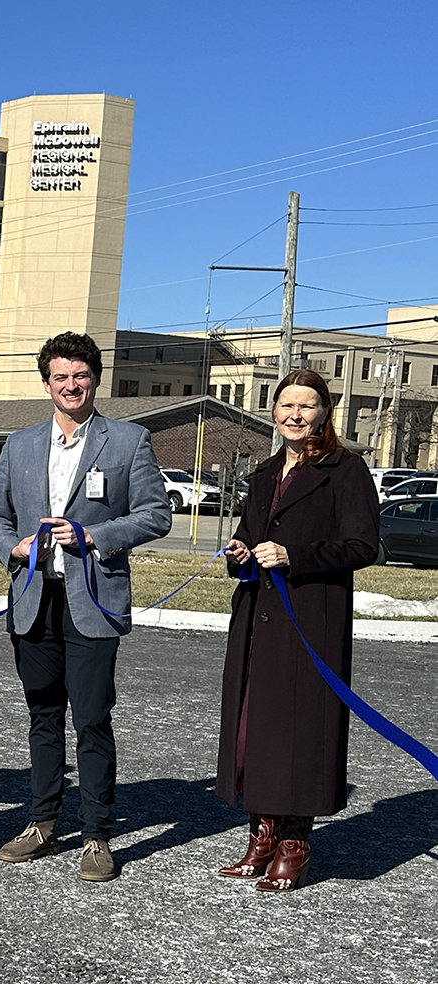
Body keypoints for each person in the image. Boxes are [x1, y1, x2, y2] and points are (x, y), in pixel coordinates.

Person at [0, 331, 170, 882]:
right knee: (43, 716)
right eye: (60, 377)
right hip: (33, 599)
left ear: (95, 380)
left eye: (81, 376)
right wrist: (10, 547)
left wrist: (91, 536)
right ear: (47, 384)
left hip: (92, 601)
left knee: (91, 720)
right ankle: (42, 822)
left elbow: (155, 514)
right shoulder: (19, 445)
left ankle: (96, 835)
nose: (71, 386)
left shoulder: (128, 441)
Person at [217, 368, 378, 892]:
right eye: (286, 405)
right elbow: (249, 535)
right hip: (257, 620)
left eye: (307, 406)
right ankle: (260, 834)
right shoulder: (262, 473)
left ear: (324, 413)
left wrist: (296, 556)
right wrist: (241, 552)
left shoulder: (345, 469)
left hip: (312, 618)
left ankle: (294, 842)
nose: (295, 414)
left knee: (302, 732)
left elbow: (362, 547)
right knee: (254, 728)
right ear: (274, 410)